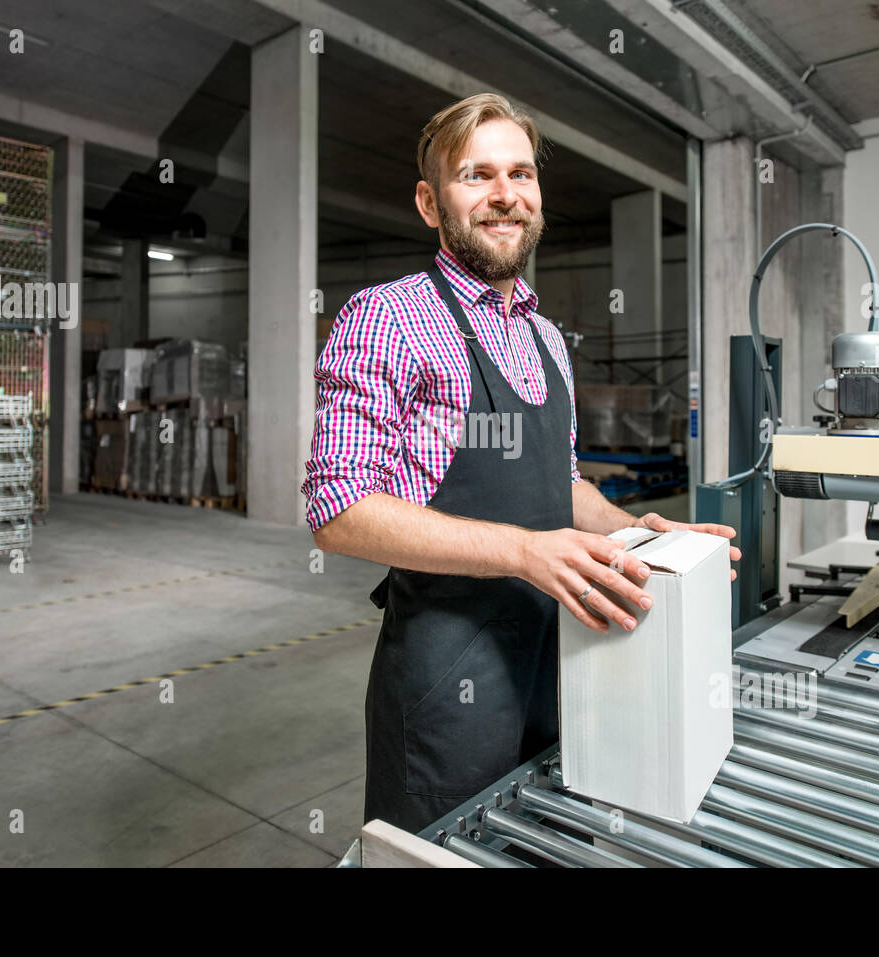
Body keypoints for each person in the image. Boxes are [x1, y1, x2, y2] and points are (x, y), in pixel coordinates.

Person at [301, 93, 740, 833]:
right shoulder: (389, 316)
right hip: (448, 690)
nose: (505, 194)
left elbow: (558, 484)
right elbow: (338, 510)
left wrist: (641, 532)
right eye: (476, 176)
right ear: (430, 202)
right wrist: (520, 551)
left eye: (521, 174)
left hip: (563, 667)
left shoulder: (544, 336)